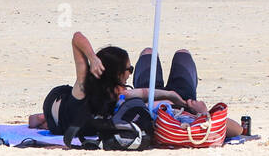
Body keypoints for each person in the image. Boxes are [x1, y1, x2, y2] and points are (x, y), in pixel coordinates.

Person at [28, 32, 242, 138]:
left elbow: (144, 92)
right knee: (52, 117)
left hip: (65, 117)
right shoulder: (83, 86)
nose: (131, 73)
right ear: (118, 74)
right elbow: (76, 37)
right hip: (58, 100)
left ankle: (43, 119)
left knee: (52, 119)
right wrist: (92, 57)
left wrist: (173, 97)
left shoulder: (117, 94)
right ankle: (43, 118)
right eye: (129, 70)